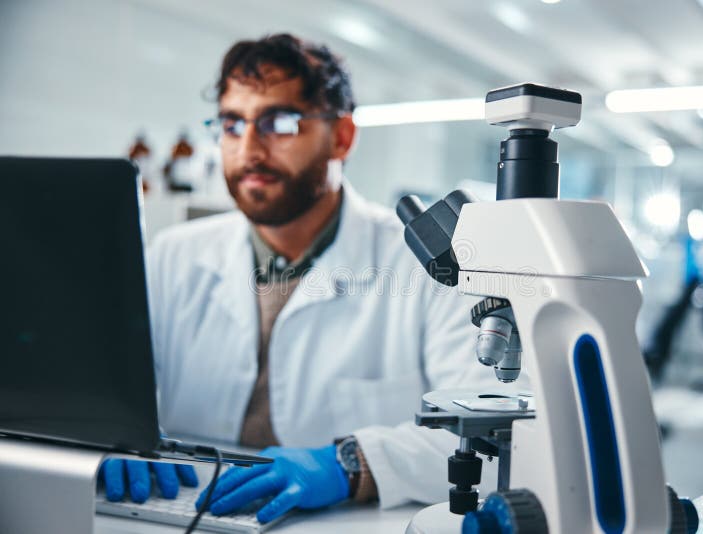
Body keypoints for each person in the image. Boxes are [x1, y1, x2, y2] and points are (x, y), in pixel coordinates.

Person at [101, 33, 516, 523]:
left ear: (341, 136)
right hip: (178, 515)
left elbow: (496, 432)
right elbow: (107, 389)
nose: (249, 149)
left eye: (279, 123)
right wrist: (111, 434)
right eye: (232, 124)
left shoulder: (432, 268)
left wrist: (351, 464)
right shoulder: (174, 255)